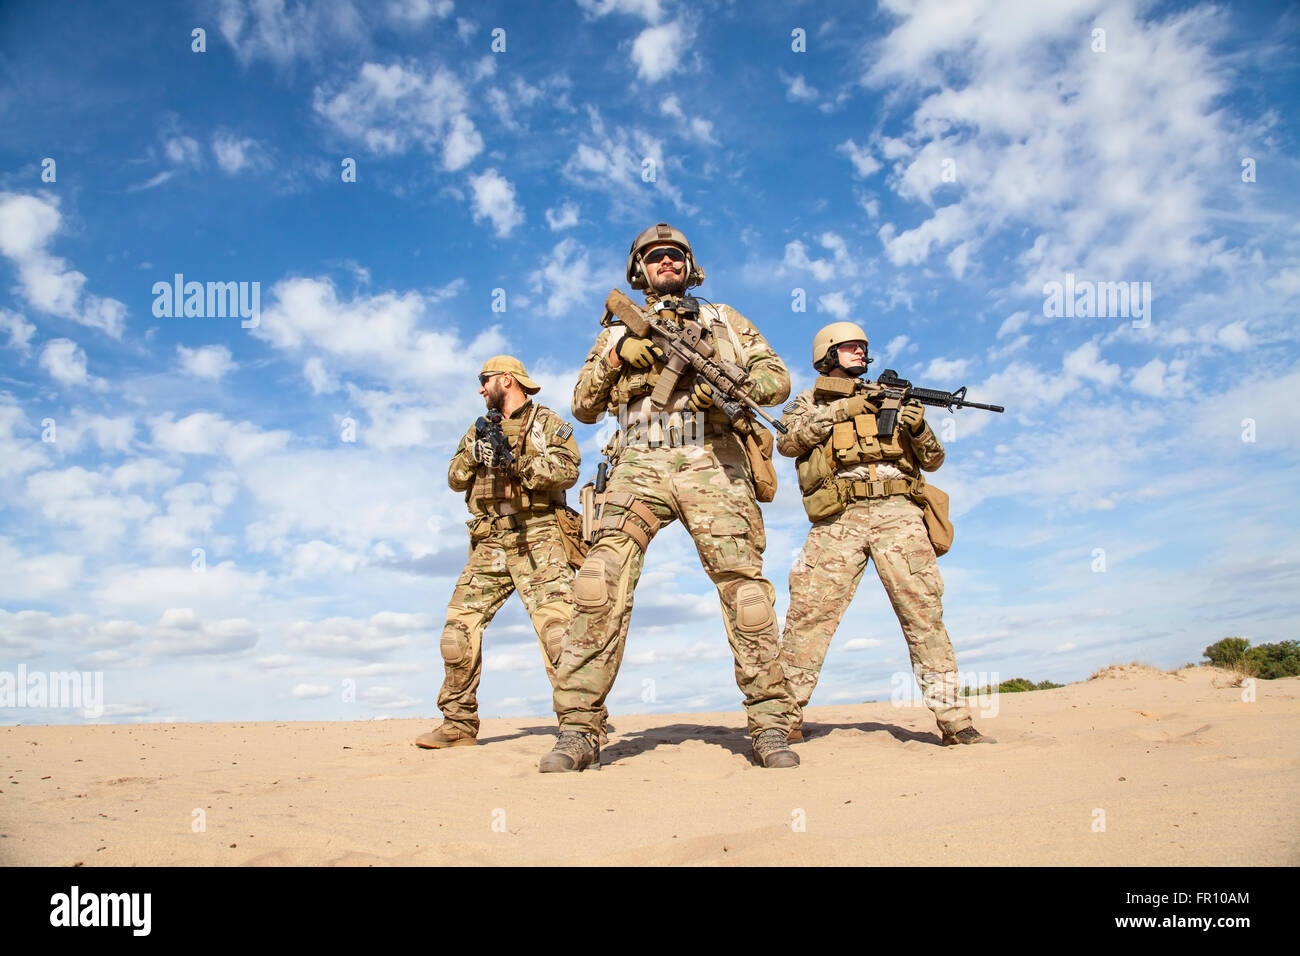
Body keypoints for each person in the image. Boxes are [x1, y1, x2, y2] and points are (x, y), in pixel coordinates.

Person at [539, 222, 799, 772]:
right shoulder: (614, 333)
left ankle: (771, 724)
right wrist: (617, 357)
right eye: (655, 257)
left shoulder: (723, 319)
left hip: (712, 456)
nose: (666, 263)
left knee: (745, 590)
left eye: (675, 256)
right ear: (639, 270)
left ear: (690, 265)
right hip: (638, 458)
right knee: (597, 582)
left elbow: (777, 379)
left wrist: (732, 384)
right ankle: (579, 728)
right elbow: (583, 406)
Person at [777, 322, 994, 746]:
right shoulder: (808, 400)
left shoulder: (895, 398)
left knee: (923, 614)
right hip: (839, 514)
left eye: (863, 347)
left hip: (900, 514)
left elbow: (933, 461)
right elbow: (788, 443)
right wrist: (841, 411)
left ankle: (956, 722)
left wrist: (918, 428)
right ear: (827, 354)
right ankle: (783, 719)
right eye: (850, 347)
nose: (861, 352)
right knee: (809, 615)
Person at [416, 355, 608, 748]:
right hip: (490, 540)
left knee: (559, 634)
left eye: (484, 380)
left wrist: (516, 461)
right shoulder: (479, 428)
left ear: (507, 379)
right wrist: (475, 456)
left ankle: (584, 724)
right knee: (456, 632)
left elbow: (567, 471)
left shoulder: (548, 423)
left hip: (539, 534)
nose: (480, 388)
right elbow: (454, 479)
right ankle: (458, 724)